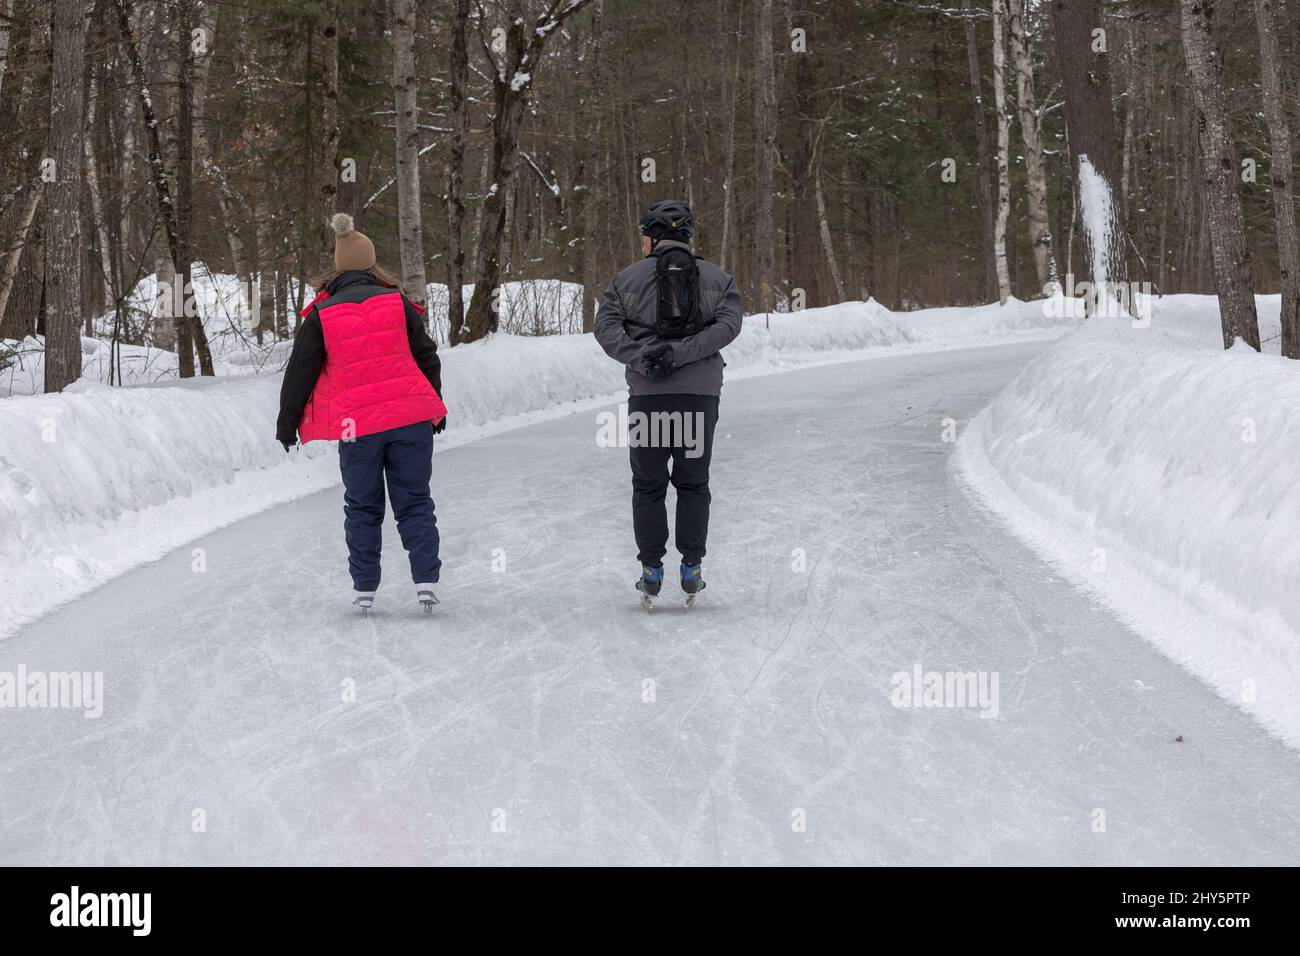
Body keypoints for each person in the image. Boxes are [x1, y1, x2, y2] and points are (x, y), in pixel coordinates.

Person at [276, 213, 447, 613]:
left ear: (338, 268)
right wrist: (434, 405)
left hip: (359, 428)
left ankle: (365, 588)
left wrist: (288, 424)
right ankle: (425, 581)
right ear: (372, 264)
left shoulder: (323, 313)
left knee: (363, 505)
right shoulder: (397, 302)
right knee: (415, 501)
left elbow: (300, 370)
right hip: (409, 420)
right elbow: (427, 355)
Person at [594, 199, 744, 607]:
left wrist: (645, 357)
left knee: (648, 485)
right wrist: (682, 354)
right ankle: (692, 567)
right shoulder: (718, 278)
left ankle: (651, 570)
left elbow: (605, 327)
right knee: (693, 484)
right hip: (698, 396)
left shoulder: (625, 279)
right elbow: (729, 325)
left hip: (649, 396)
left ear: (653, 236)